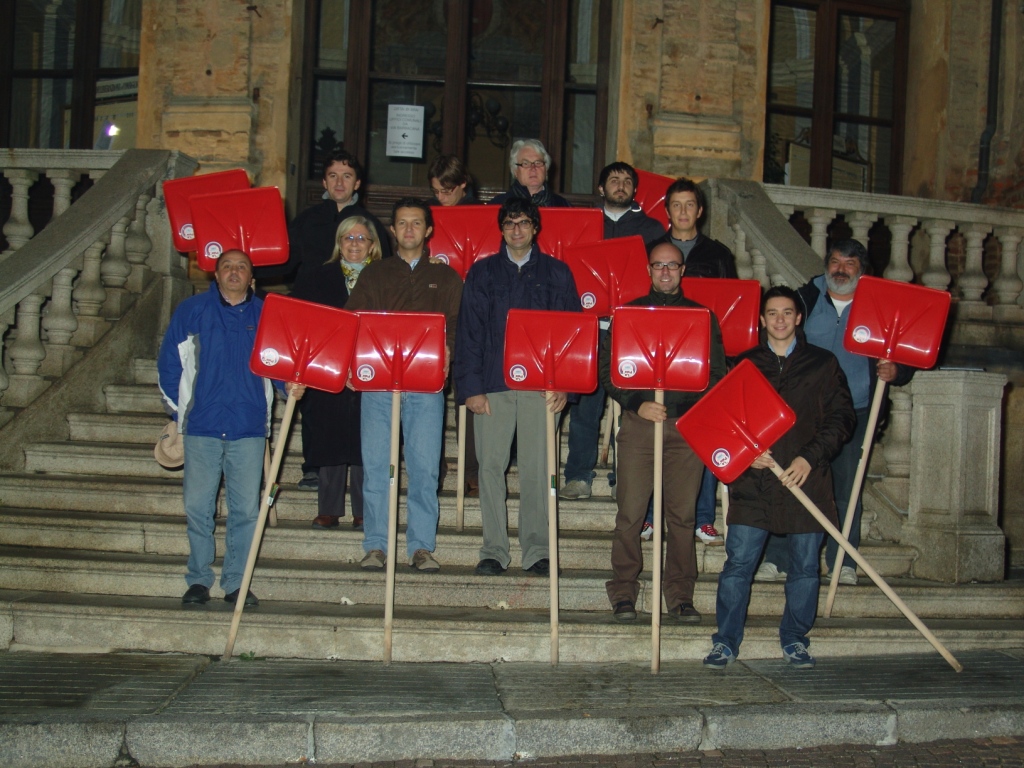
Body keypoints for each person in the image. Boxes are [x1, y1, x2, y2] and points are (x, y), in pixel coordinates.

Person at [704, 286, 855, 669]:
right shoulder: (745, 364)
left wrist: (809, 457)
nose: (780, 320)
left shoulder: (823, 364)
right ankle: (725, 641)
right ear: (761, 319)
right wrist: (743, 454)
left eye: (787, 312)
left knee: (805, 568)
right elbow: (723, 419)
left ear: (798, 318)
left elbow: (841, 419)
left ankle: (795, 638)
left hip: (806, 481)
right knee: (738, 566)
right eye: (772, 313)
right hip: (754, 485)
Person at [755, 239, 913, 586]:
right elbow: (774, 339)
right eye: (836, 262)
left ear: (862, 269)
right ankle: (778, 559)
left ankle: (843, 560)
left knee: (847, 488)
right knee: (787, 481)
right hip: (799, 413)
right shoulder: (805, 300)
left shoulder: (879, 305)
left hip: (853, 414)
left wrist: (896, 371)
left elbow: (902, 352)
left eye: (850, 263)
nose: (840, 269)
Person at [158, 250, 305, 607]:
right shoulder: (192, 311)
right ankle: (198, 579)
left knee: (245, 510)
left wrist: (291, 386)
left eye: (241, 267)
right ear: (216, 274)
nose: (234, 272)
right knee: (198, 507)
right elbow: (168, 364)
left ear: (252, 277)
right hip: (202, 426)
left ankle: (236, 582)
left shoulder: (267, 314)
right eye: (227, 266)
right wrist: (180, 413)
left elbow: (281, 363)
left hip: (249, 427)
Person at [600, 242, 726, 623]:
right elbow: (609, 369)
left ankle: (680, 595)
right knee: (631, 513)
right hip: (640, 425)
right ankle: (623, 591)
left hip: (685, 429)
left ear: (683, 270)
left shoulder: (703, 317)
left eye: (673, 265)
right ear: (649, 270)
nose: (666, 272)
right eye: (659, 265)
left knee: (682, 517)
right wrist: (636, 402)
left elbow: (716, 374)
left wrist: (682, 408)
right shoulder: (629, 313)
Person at [454, 199, 581, 576]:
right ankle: (494, 548)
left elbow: (571, 335)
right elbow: (469, 334)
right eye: (509, 223)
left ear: (536, 227)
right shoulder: (482, 273)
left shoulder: (557, 274)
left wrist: (565, 387)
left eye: (524, 222)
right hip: (493, 384)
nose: (517, 230)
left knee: (537, 469)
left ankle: (537, 549)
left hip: (542, 388)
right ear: (501, 229)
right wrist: (471, 388)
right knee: (490, 467)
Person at [257, 150, 391, 493]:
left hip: (360, 323)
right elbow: (284, 262)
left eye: (347, 176)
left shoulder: (369, 224)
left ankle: (362, 467)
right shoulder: (307, 220)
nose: (340, 182)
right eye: (333, 175)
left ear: (357, 183)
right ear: (325, 182)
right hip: (314, 315)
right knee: (315, 397)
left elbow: (385, 270)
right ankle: (314, 465)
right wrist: (249, 269)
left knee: (359, 401)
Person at [344, 198, 463, 572]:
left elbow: (458, 325)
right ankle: (377, 544)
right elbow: (353, 322)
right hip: (379, 384)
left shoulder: (446, 277)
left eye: (416, 223)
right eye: (402, 224)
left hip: (426, 386)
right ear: (392, 231)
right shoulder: (375, 275)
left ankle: (421, 546)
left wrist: (449, 352)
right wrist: (349, 364)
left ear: (428, 230)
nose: (409, 229)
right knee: (377, 465)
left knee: (425, 466)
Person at [559, 161, 664, 502]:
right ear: (601, 188)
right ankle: (578, 476)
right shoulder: (585, 225)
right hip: (589, 328)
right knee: (586, 405)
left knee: (632, 407)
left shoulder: (650, 230)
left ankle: (628, 476)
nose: (621, 185)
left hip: (632, 331)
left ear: (635, 190)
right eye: (614, 180)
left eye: (628, 181)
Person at [291, 216, 383, 532]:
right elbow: (305, 326)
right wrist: (335, 367)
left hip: (370, 370)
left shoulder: (385, 279)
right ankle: (328, 508)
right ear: (339, 243)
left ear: (372, 244)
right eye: (348, 237)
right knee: (329, 435)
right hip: (327, 369)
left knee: (364, 439)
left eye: (361, 237)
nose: (354, 243)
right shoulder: (317, 278)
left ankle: (363, 510)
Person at [427, 154, 480, 496]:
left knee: (469, 394)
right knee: (431, 393)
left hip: (471, 312)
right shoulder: (428, 217)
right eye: (436, 192)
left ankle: (471, 469)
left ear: (463, 186)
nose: (442, 198)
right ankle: (434, 467)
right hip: (435, 309)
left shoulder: (482, 218)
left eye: (448, 191)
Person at [648, 177, 736, 279]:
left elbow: (731, 293)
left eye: (689, 205)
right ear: (668, 212)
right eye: (676, 205)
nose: (683, 211)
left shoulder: (719, 254)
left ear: (699, 211)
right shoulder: (650, 252)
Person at [488, 139, 571, 208]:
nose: (533, 168)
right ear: (515, 171)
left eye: (538, 163)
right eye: (525, 164)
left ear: (546, 169)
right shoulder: (498, 205)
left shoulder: (563, 206)